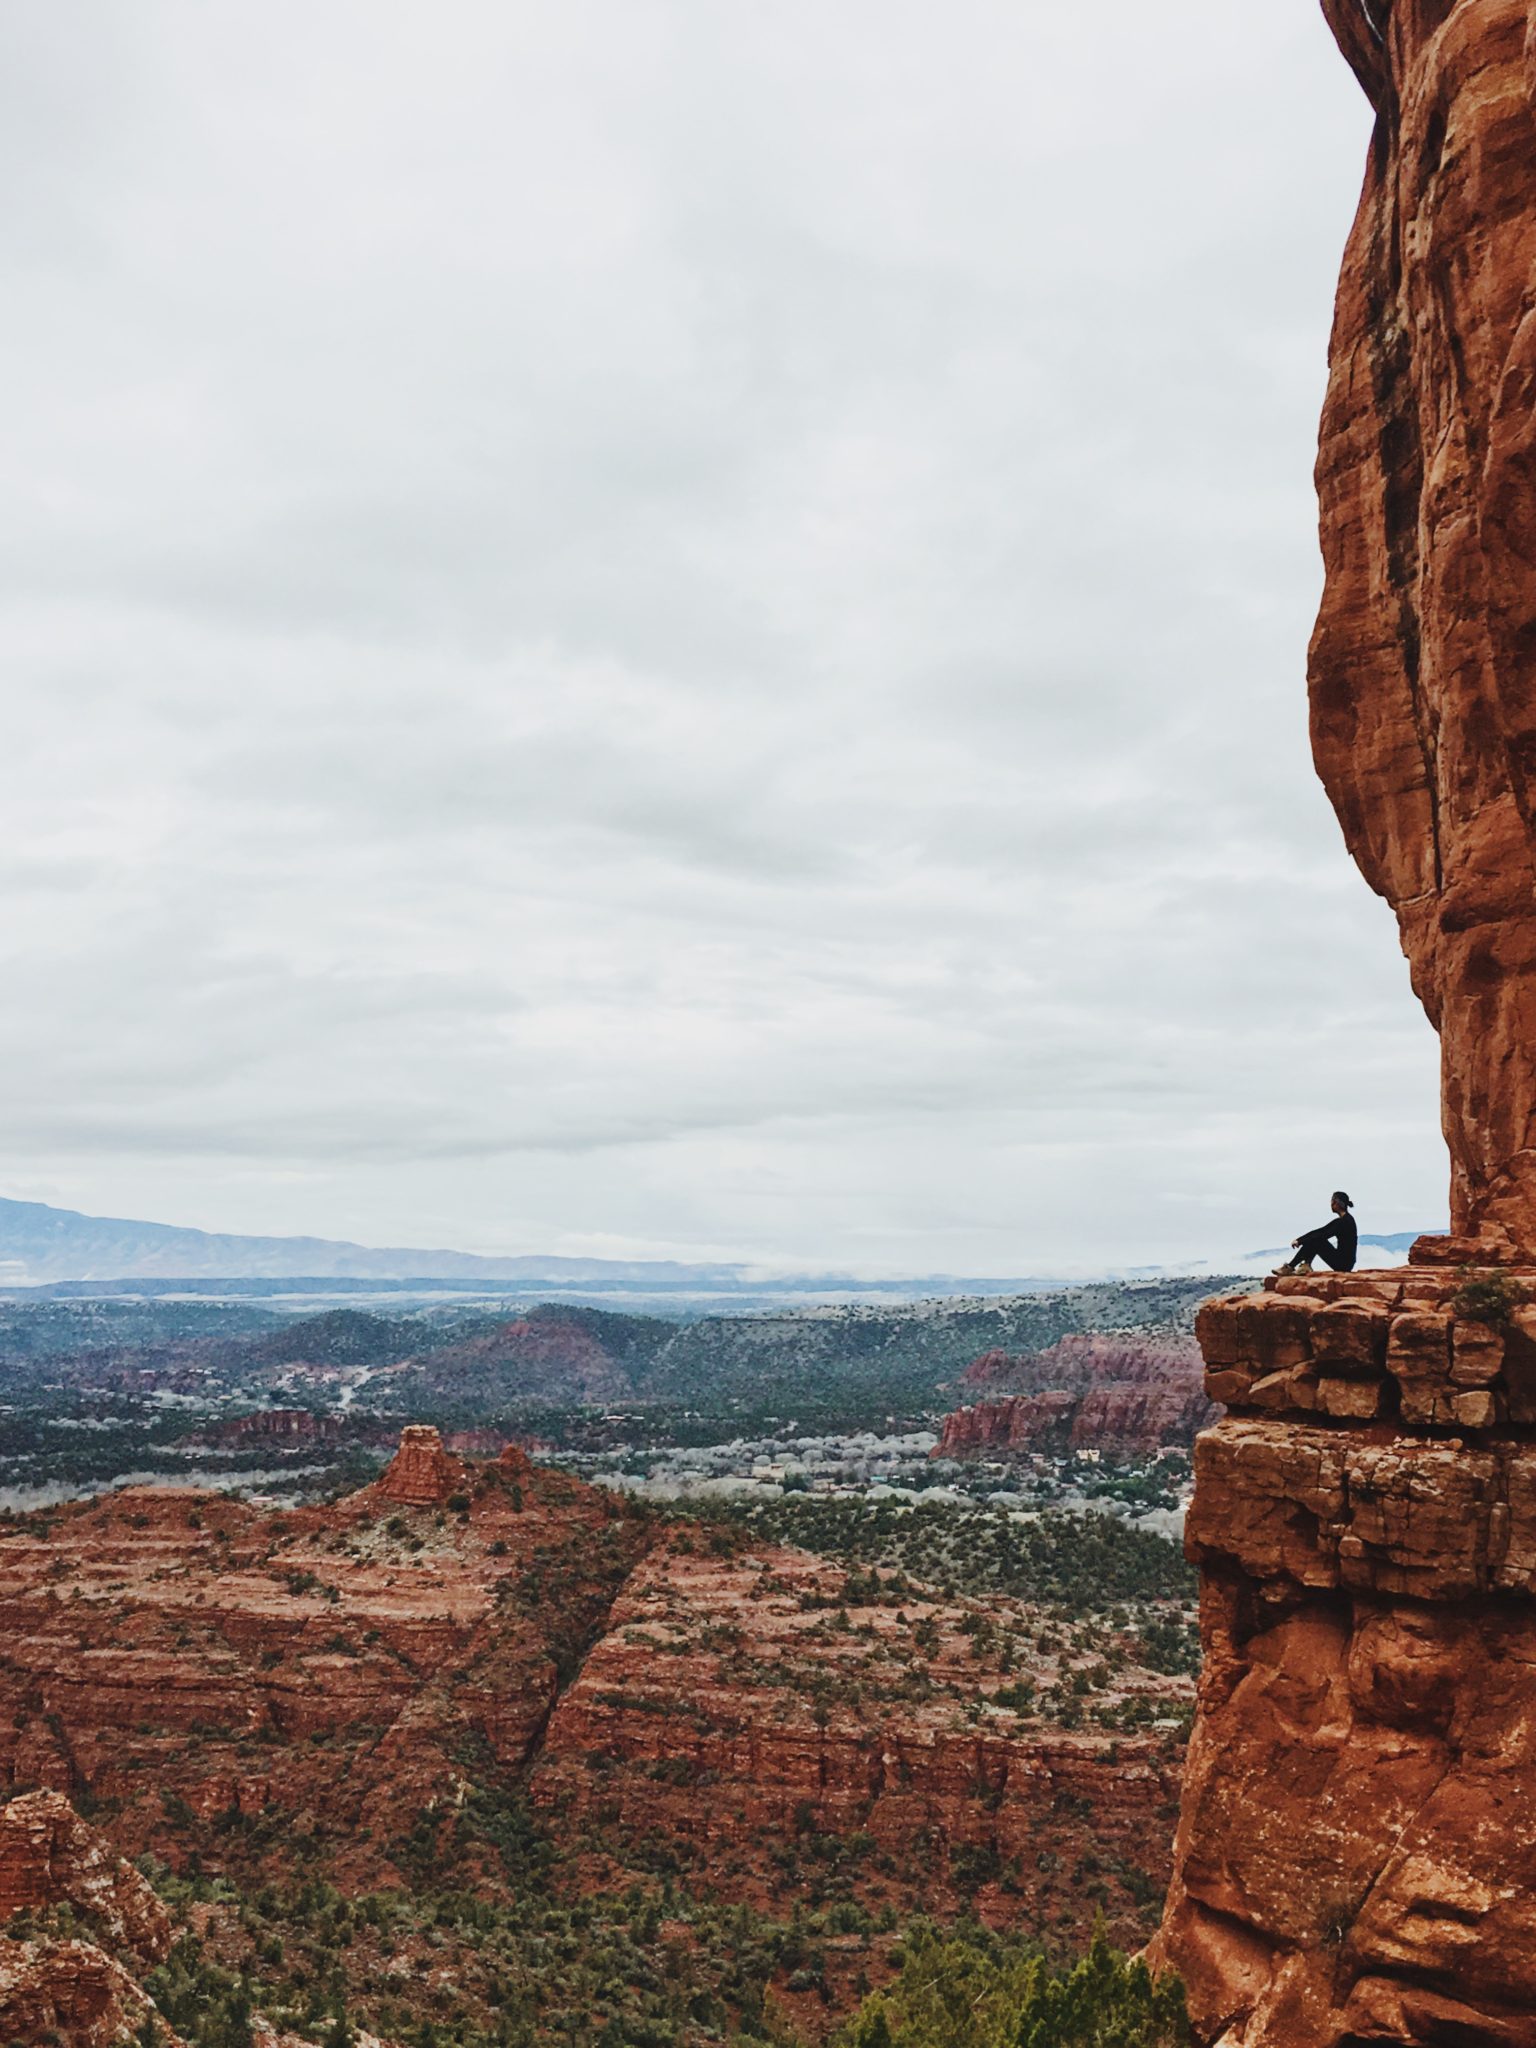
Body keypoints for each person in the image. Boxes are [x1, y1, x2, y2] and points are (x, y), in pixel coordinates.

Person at [1275, 1191, 1357, 1274]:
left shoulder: (1344, 1222)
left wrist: (1300, 1241)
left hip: (1343, 1264)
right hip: (1345, 1263)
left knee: (1317, 1240)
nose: (1330, 1204)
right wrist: (1300, 1240)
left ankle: (1292, 1267)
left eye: (1331, 1201)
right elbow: (1321, 1231)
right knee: (1316, 1239)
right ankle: (1304, 1265)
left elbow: (1322, 1233)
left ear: (1335, 1202)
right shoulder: (1345, 1220)